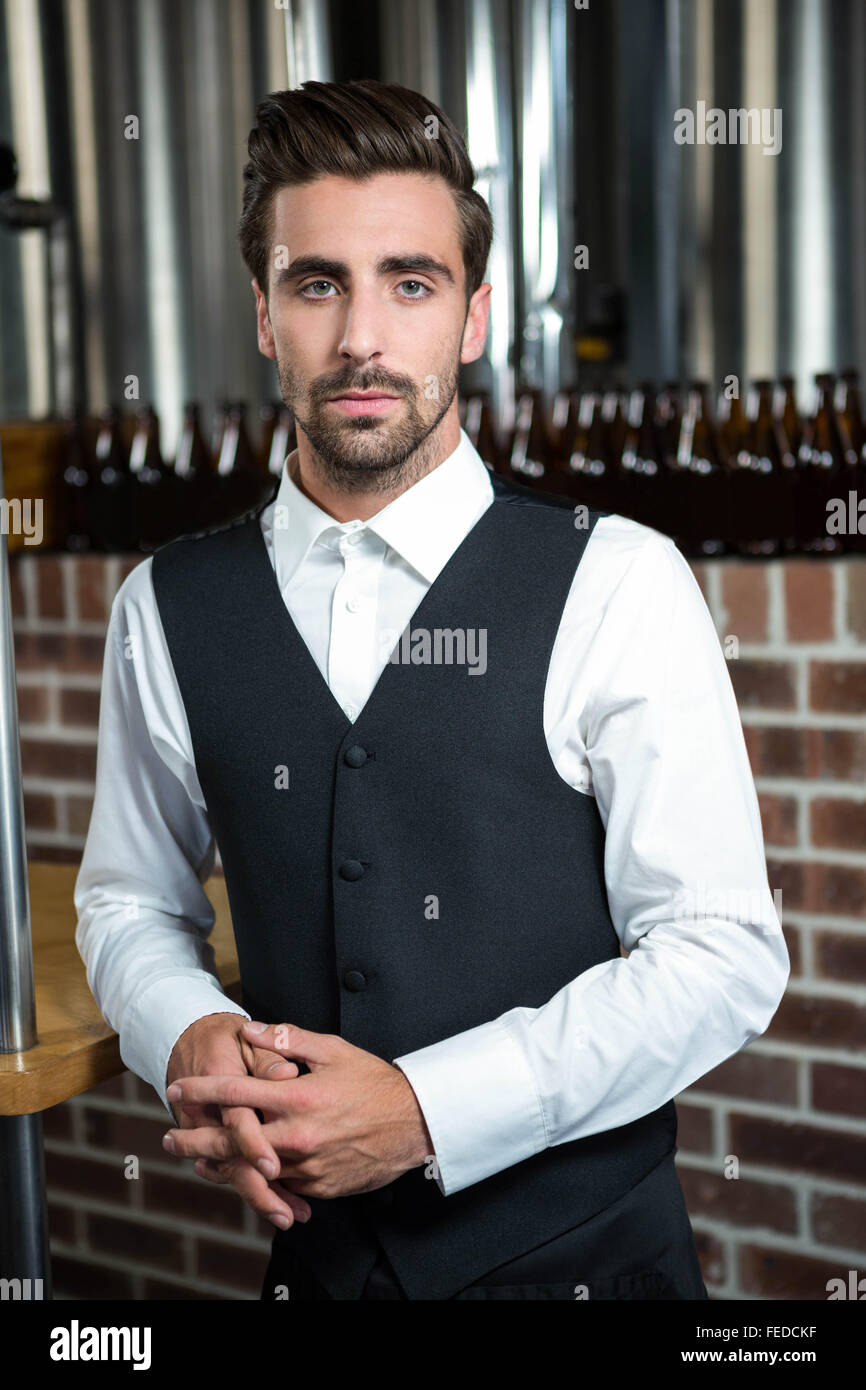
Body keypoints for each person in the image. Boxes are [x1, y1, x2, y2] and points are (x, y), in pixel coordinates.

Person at [75, 78, 789, 1301]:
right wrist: (186, 1033)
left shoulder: (616, 581)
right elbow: (130, 902)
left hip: (590, 1273)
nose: (361, 337)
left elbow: (719, 953)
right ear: (262, 312)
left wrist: (422, 1110)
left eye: (409, 282)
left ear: (470, 318)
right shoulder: (167, 607)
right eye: (318, 284)